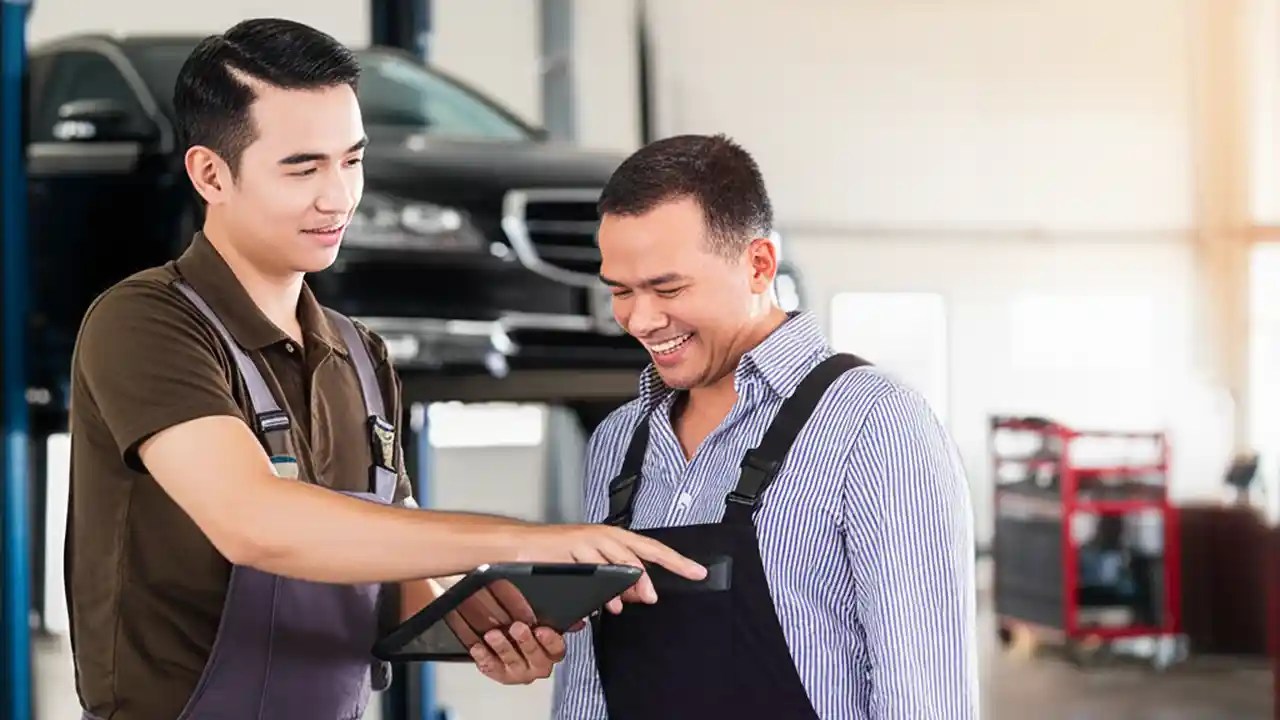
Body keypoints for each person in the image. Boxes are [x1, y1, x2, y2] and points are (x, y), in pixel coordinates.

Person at [64, 19, 704, 720]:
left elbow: (386, 572)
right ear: (210, 174)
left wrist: (478, 617)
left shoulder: (360, 355)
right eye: (304, 168)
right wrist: (533, 534)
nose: (338, 198)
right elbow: (256, 522)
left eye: (352, 161)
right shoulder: (146, 324)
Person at [546, 134, 979, 719]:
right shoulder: (618, 444)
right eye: (621, 291)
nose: (641, 320)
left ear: (758, 265)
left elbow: (926, 696)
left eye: (668, 288)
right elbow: (588, 688)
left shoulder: (875, 424)